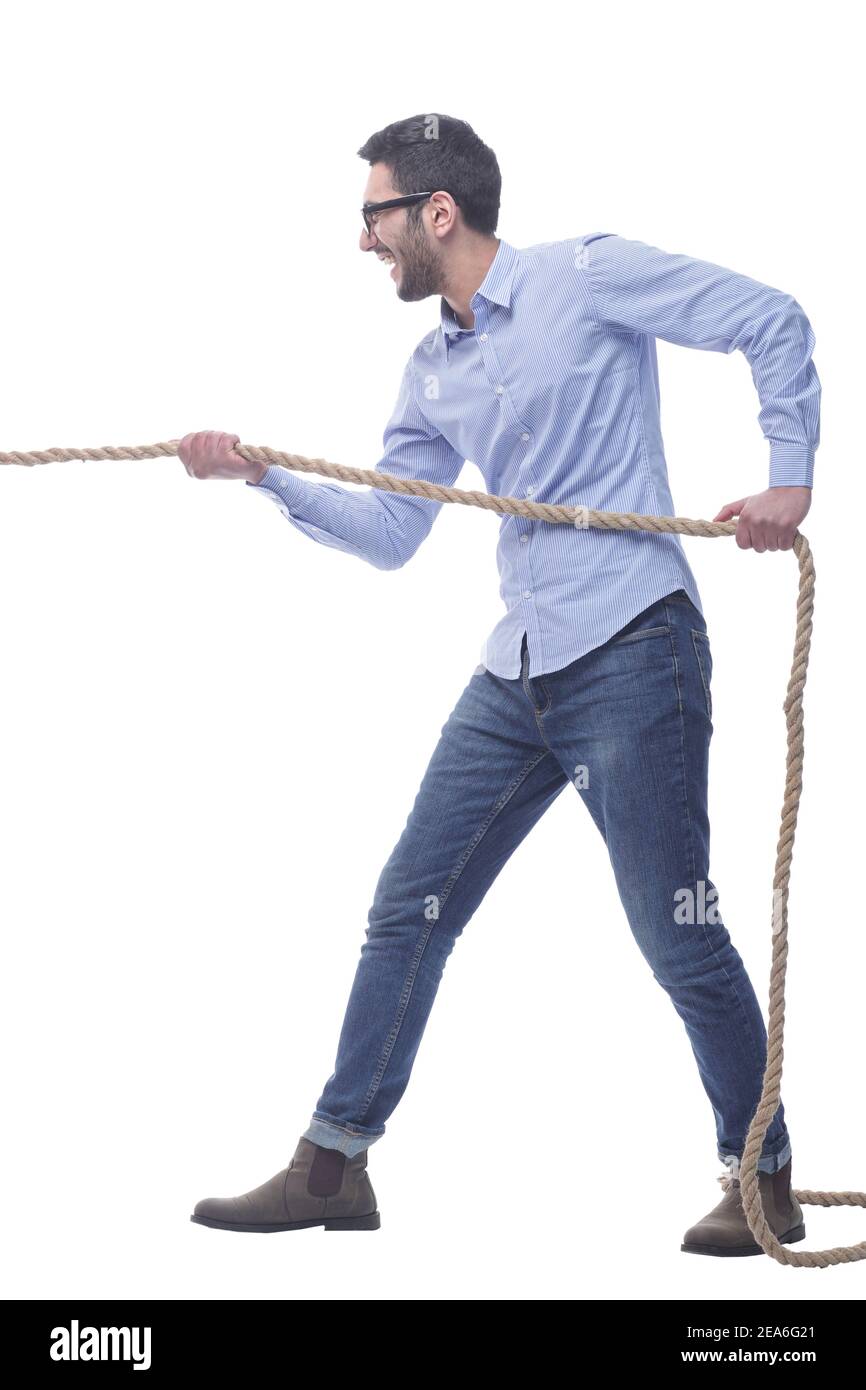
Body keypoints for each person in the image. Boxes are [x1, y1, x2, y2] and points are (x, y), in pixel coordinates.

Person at [182, 113, 819, 1253]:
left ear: (437, 212)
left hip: (632, 648)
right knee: (406, 907)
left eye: (374, 214)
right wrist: (261, 474)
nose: (363, 241)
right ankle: (332, 1165)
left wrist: (787, 478)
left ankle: (760, 1174)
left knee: (675, 928)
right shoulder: (430, 370)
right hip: (515, 673)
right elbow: (391, 531)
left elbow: (767, 320)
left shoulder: (587, 275)